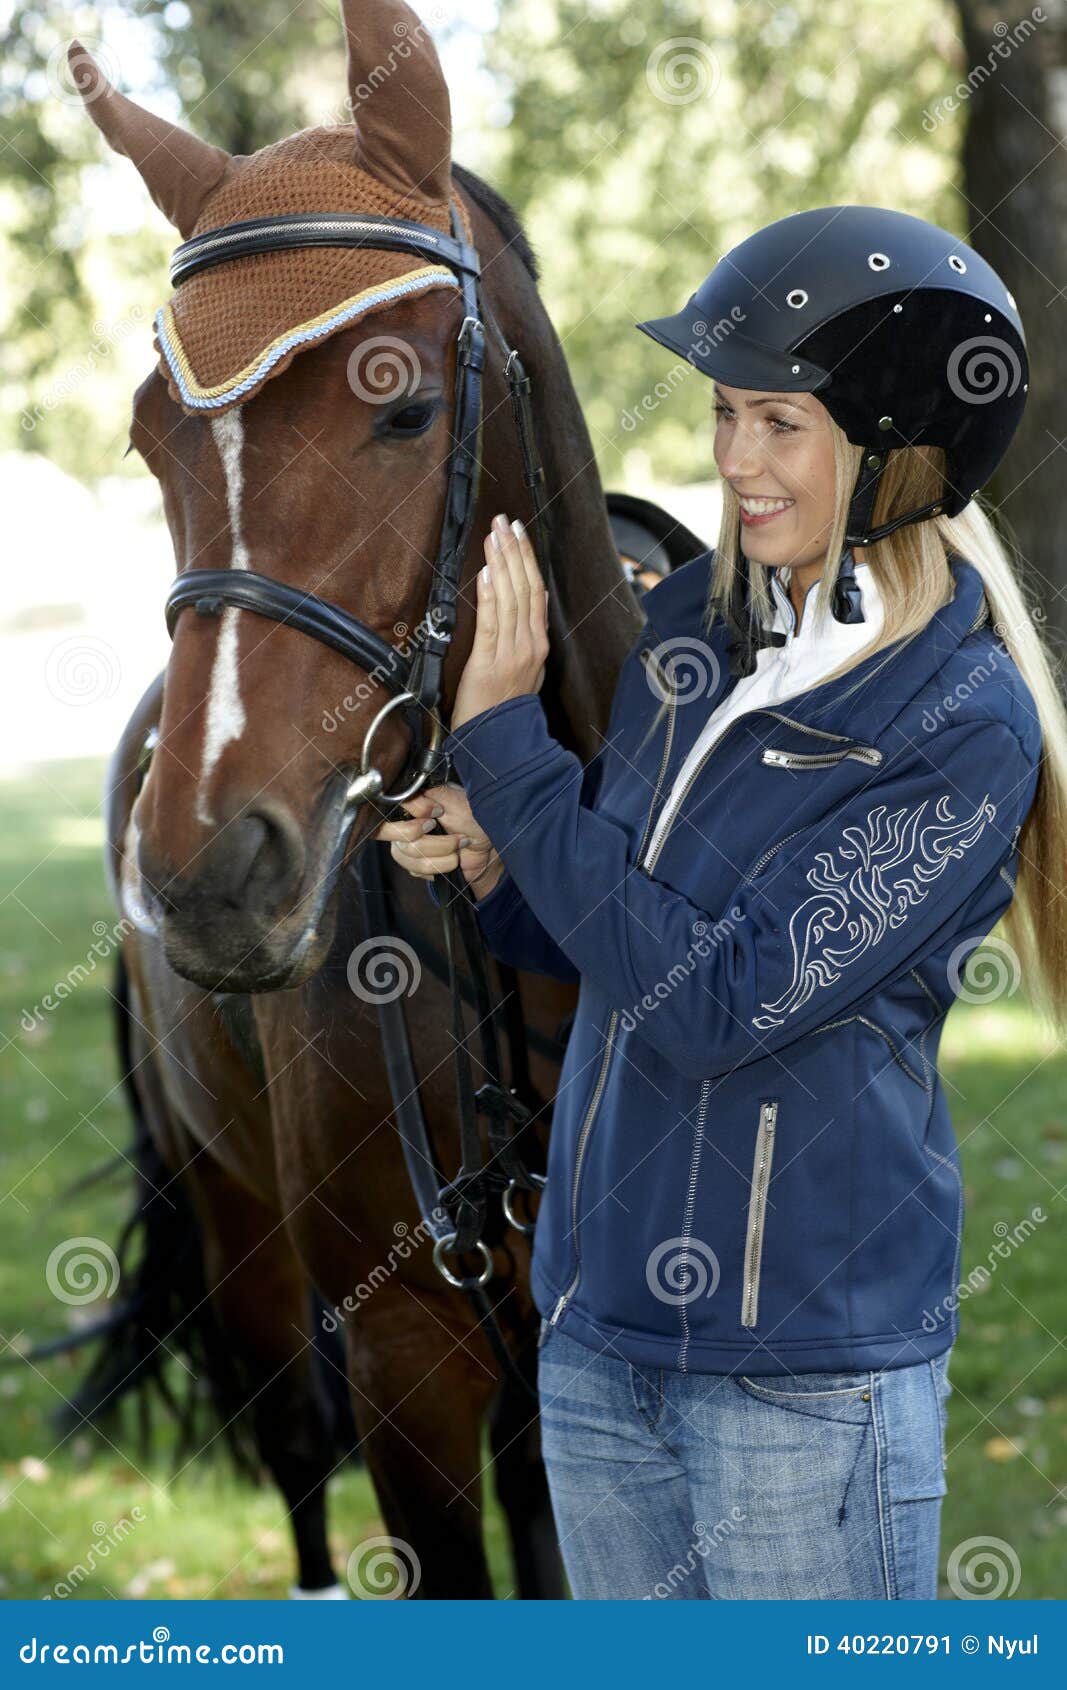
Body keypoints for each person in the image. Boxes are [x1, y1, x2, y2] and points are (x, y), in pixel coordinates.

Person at [376, 206, 1067, 1600]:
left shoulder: (961, 722)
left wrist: (510, 750)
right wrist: (508, 859)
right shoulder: (693, 624)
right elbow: (625, 932)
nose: (735, 461)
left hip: (799, 1379)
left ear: (893, 451)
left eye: (781, 423)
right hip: (594, 1340)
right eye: (724, 414)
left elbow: (717, 1001)